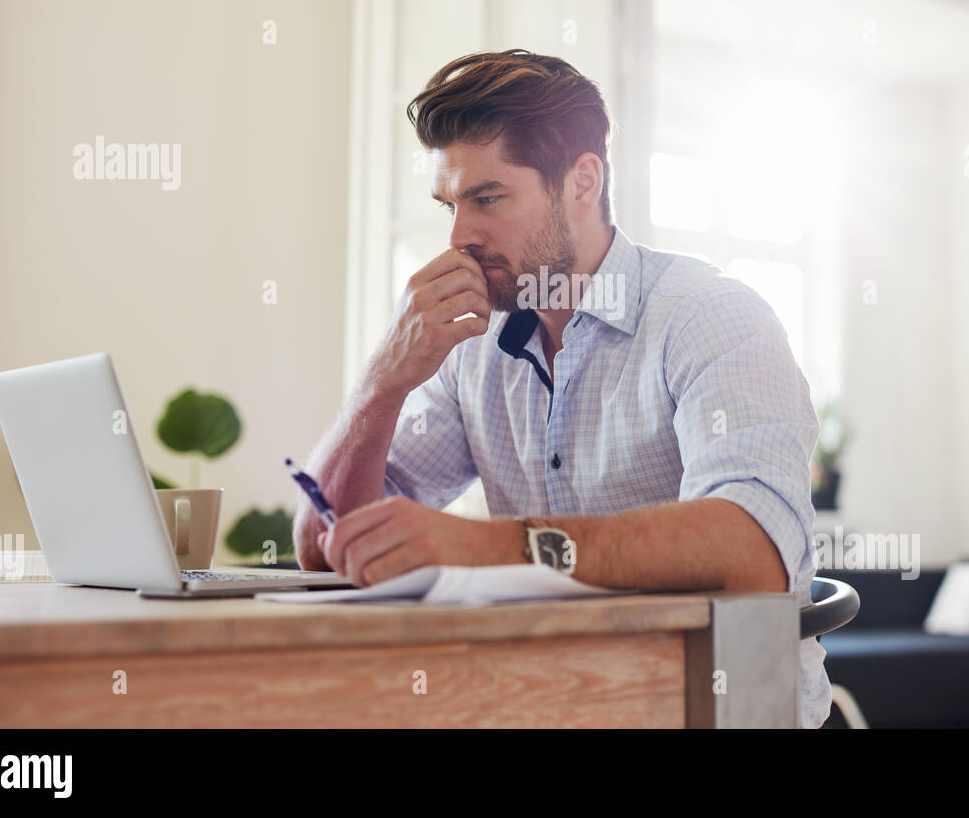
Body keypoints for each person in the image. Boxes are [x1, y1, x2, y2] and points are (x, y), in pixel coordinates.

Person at [293, 48, 830, 727]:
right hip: (548, 705)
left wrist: (491, 547)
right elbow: (323, 544)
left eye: (488, 199)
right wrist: (382, 381)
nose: (460, 236)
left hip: (717, 706)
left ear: (581, 183)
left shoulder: (711, 317)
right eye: (450, 205)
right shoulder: (475, 349)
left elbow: (753, 551)